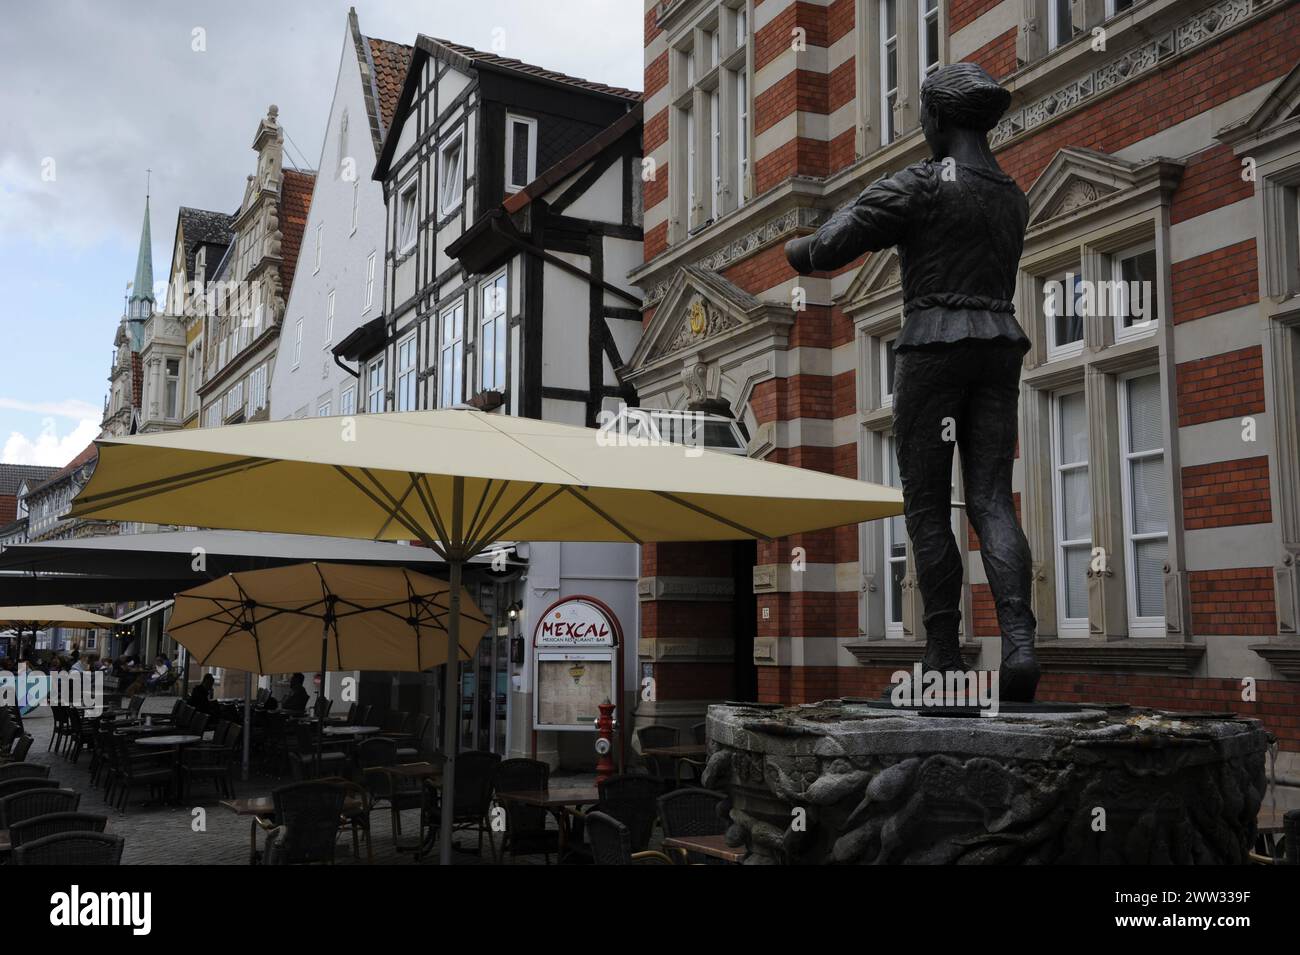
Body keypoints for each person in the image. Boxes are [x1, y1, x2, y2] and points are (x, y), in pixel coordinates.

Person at [785, 62, 1039, 702]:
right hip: (1000, 344)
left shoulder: (924, 185)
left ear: (940, 117)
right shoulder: (1014, 194)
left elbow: (830, 247)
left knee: (927, 504)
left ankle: (944, 652)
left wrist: (797, 250)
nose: (921, 124)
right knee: (992, 500)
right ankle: (1019, 643)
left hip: (934, 344)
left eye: (923, 113)